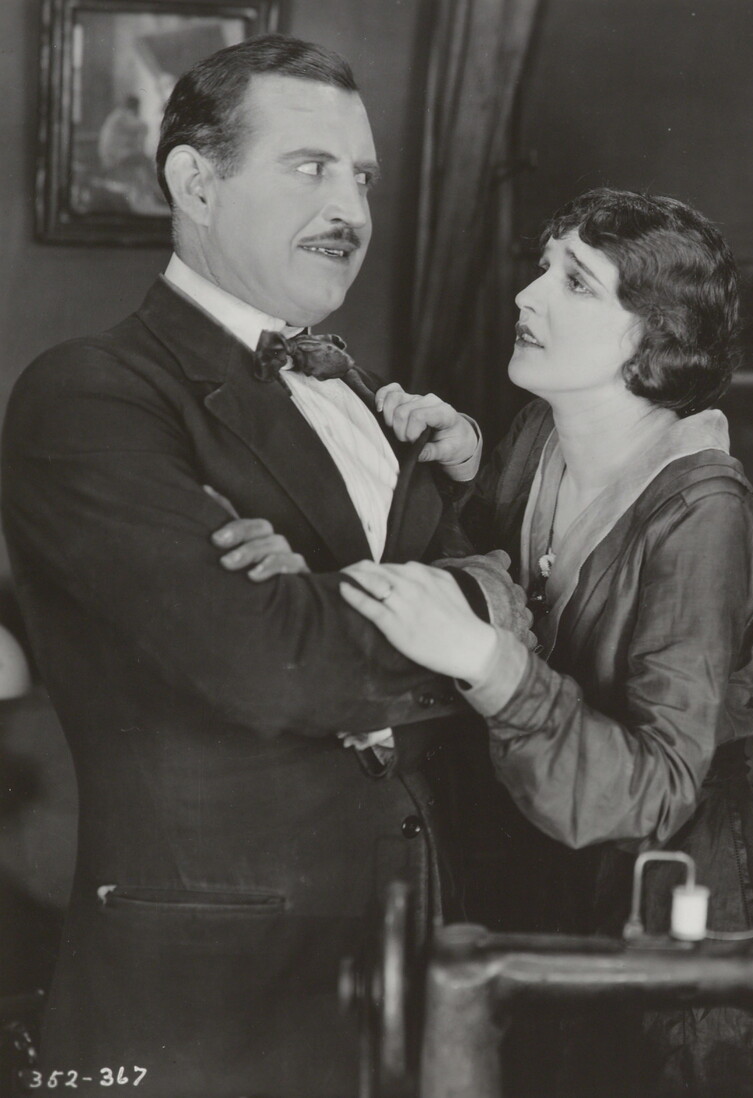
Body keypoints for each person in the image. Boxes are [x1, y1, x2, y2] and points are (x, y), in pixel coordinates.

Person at [2, 35, 523, 1098]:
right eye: (309, 167)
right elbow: (264, 663)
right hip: (210, 1004)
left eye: (362, 176)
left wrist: (326, 597)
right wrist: (484, 606)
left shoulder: (370, 396)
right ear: (195, 181)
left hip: (414, 955)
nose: (352, 208)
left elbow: (359, 623)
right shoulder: (91, 395)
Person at [339, 188, 753, 1097]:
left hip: (678, 924)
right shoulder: (542, 432)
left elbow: (660, 786)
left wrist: (483, 661)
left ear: (653, 339)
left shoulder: (704, 515)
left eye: (576, 283)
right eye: (544, 267)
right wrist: (467, 469)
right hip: (549, 895)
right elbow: (536, 587)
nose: (528, 296)